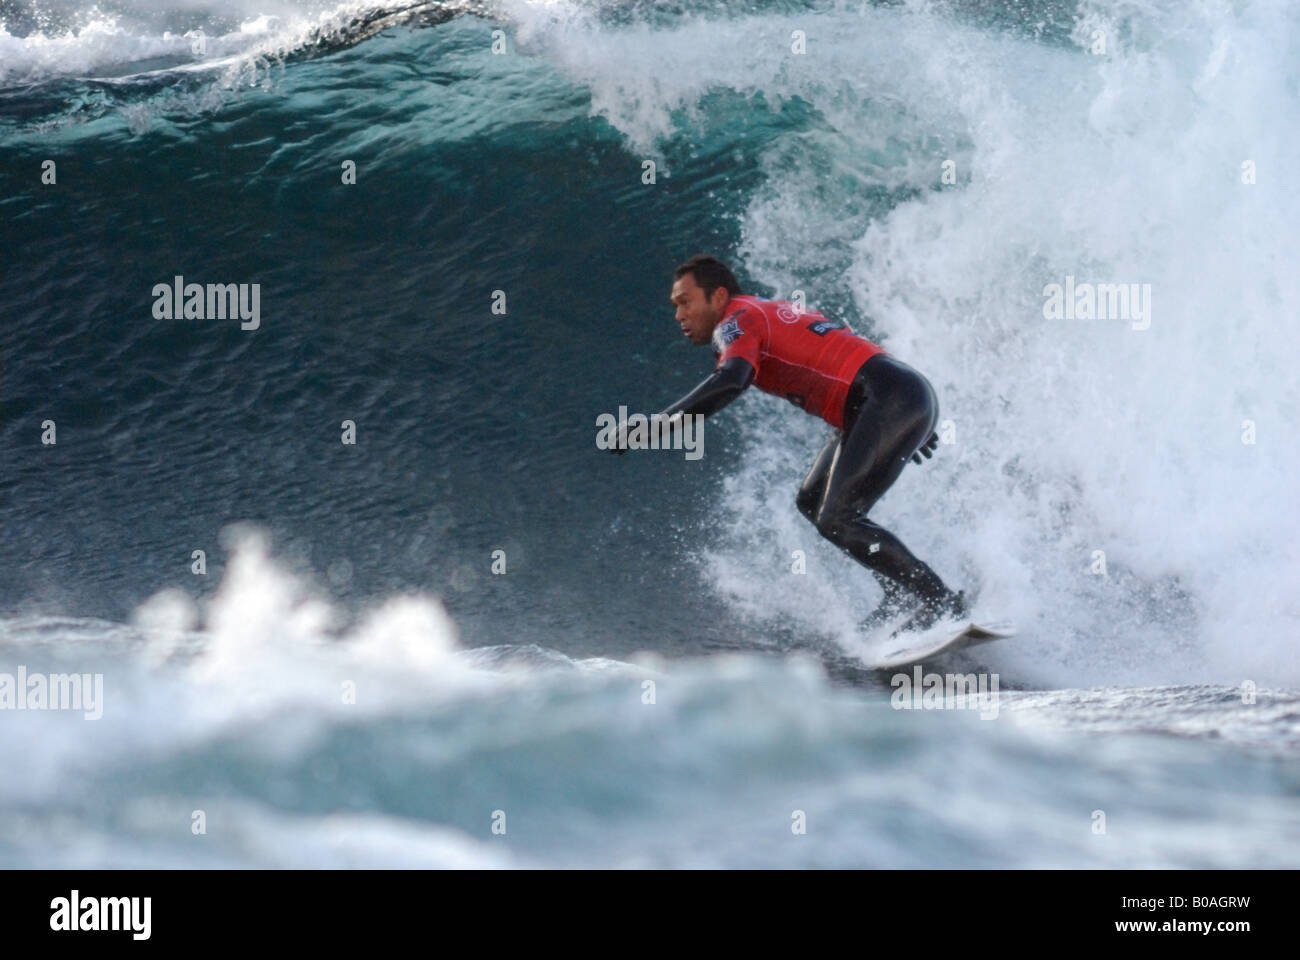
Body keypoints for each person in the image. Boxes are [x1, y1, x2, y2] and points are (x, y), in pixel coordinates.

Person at [610, 253, 968, 632]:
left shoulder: (735, 320)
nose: (679, 315)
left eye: (685, 302)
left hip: (887, 397)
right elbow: (843, 342)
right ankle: (902, 592)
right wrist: (908, 418)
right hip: (891, 395)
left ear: (717, 296)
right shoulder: (762, 310)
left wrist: (650, 428)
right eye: (675, 306)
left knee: (838, 517)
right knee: (813, 502)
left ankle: (941, 601)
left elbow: (731, 380)